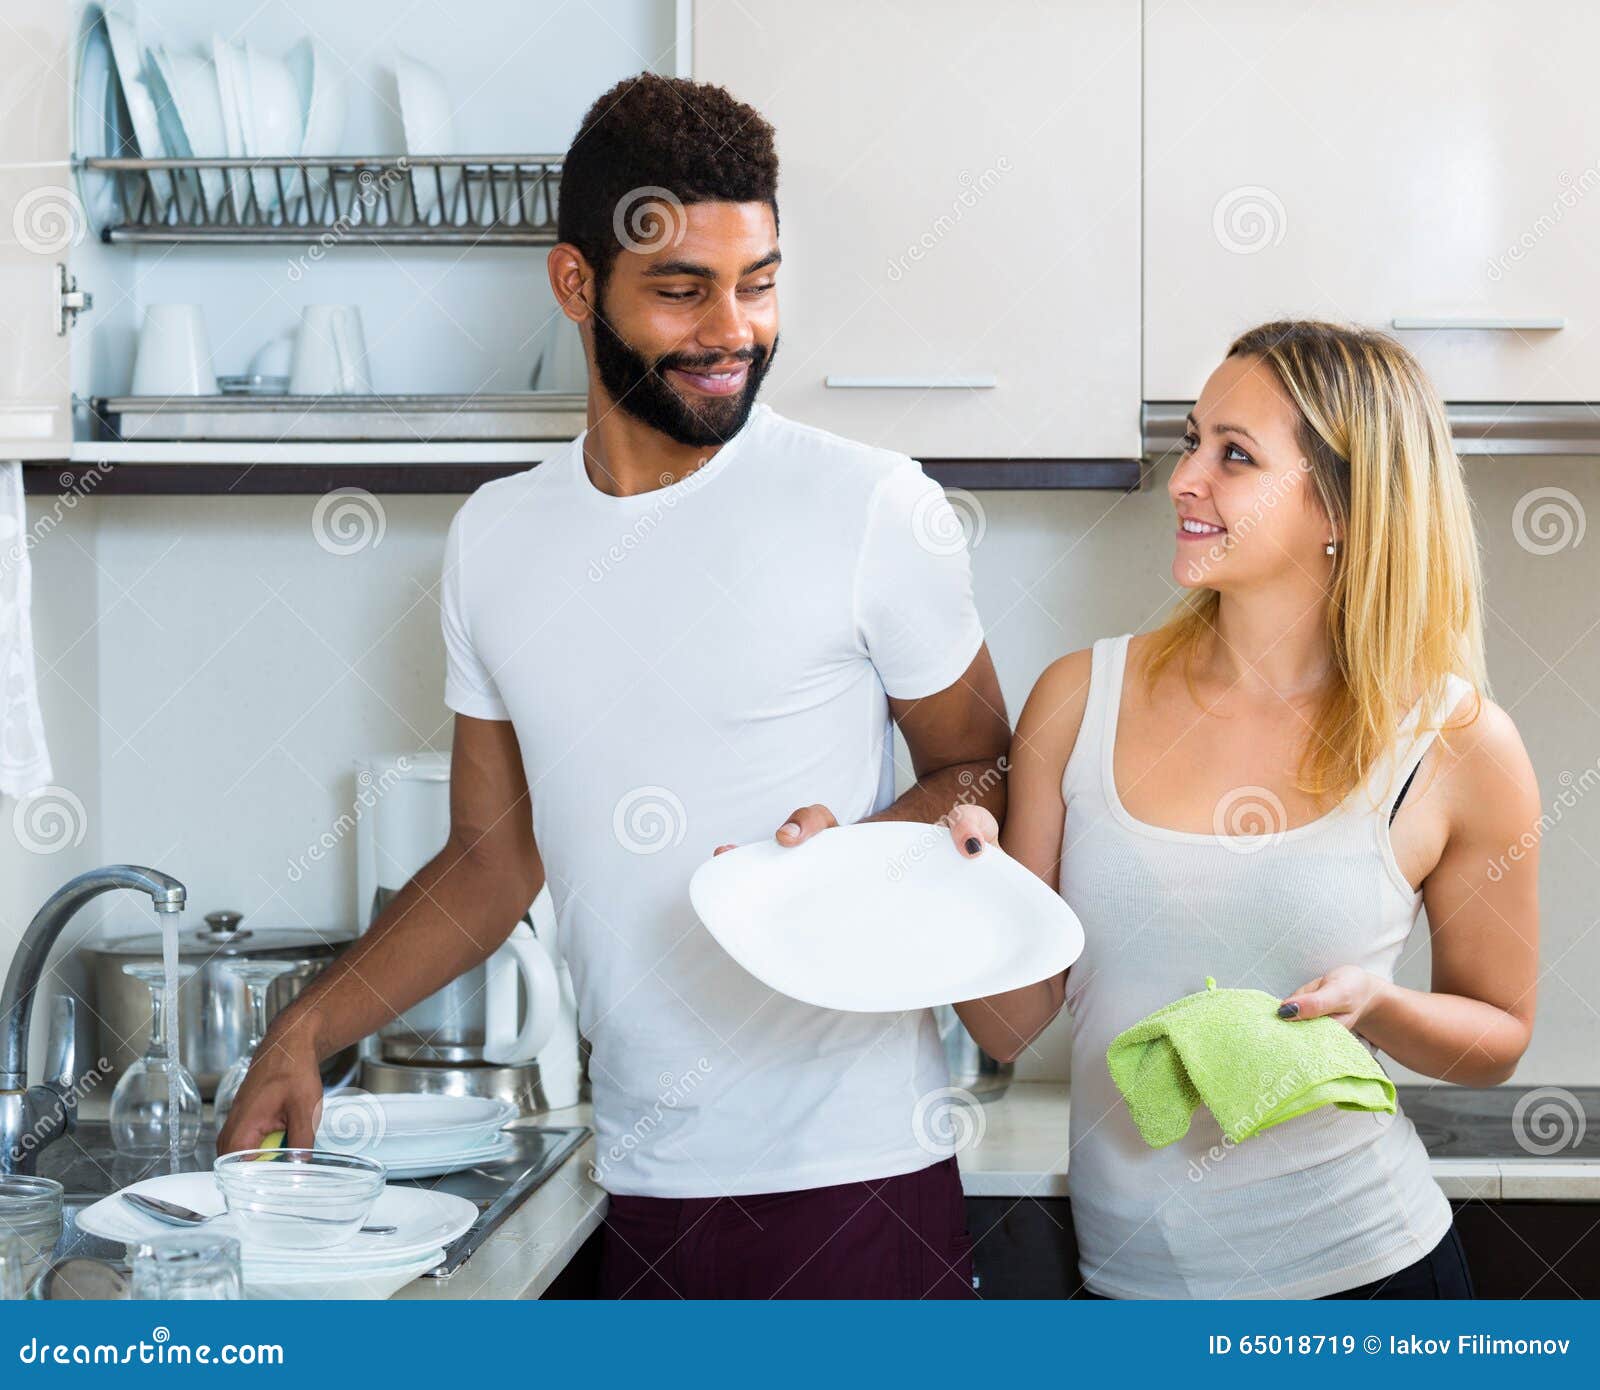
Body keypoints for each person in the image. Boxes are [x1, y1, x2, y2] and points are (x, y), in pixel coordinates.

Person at [218, 72, 1008, 1300]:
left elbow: (984, 764)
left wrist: (858, 850)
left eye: (758, 281)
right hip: (638, 1179)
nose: (733, 330)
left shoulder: (867, 505)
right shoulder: (496, 540)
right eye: (682, 290)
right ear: (576, 283)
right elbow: (491, 858)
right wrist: (307, 1026)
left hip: (857, 1184)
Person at [947, 320, 1539, 1299]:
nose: (1184, 480)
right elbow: (1008, 1027)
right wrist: (972, 898)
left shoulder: (1455, 742)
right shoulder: (1076, 698)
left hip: (1368, 1279)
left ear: (1340, 505)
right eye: (1192, 441)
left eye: (1235, 456)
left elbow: (1497, 1036)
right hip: (1132, 1292)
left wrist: (1379, 1006)